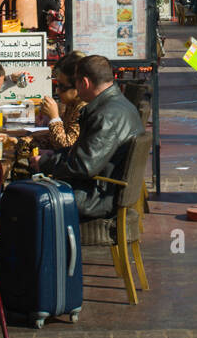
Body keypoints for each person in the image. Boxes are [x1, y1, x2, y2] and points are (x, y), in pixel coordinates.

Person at [40, 55, 144, 219]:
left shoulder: (106, 116)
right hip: (104, 189)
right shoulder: (118, 104)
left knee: (33, 197)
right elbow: (86, 153)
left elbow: (83, 165)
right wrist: (51, 157)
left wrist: (44, 163)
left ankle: (50, 244)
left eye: (76, 83)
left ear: (85, 83)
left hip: (97, 197)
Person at [36, 51, 87, 149]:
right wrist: (27, 140)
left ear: (78, 85)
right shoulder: (72, 104)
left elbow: (66, 146)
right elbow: (57, 136)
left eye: (62, 86)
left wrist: (54, 118)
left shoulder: (83, 107)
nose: (57, 91)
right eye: (56, 85)